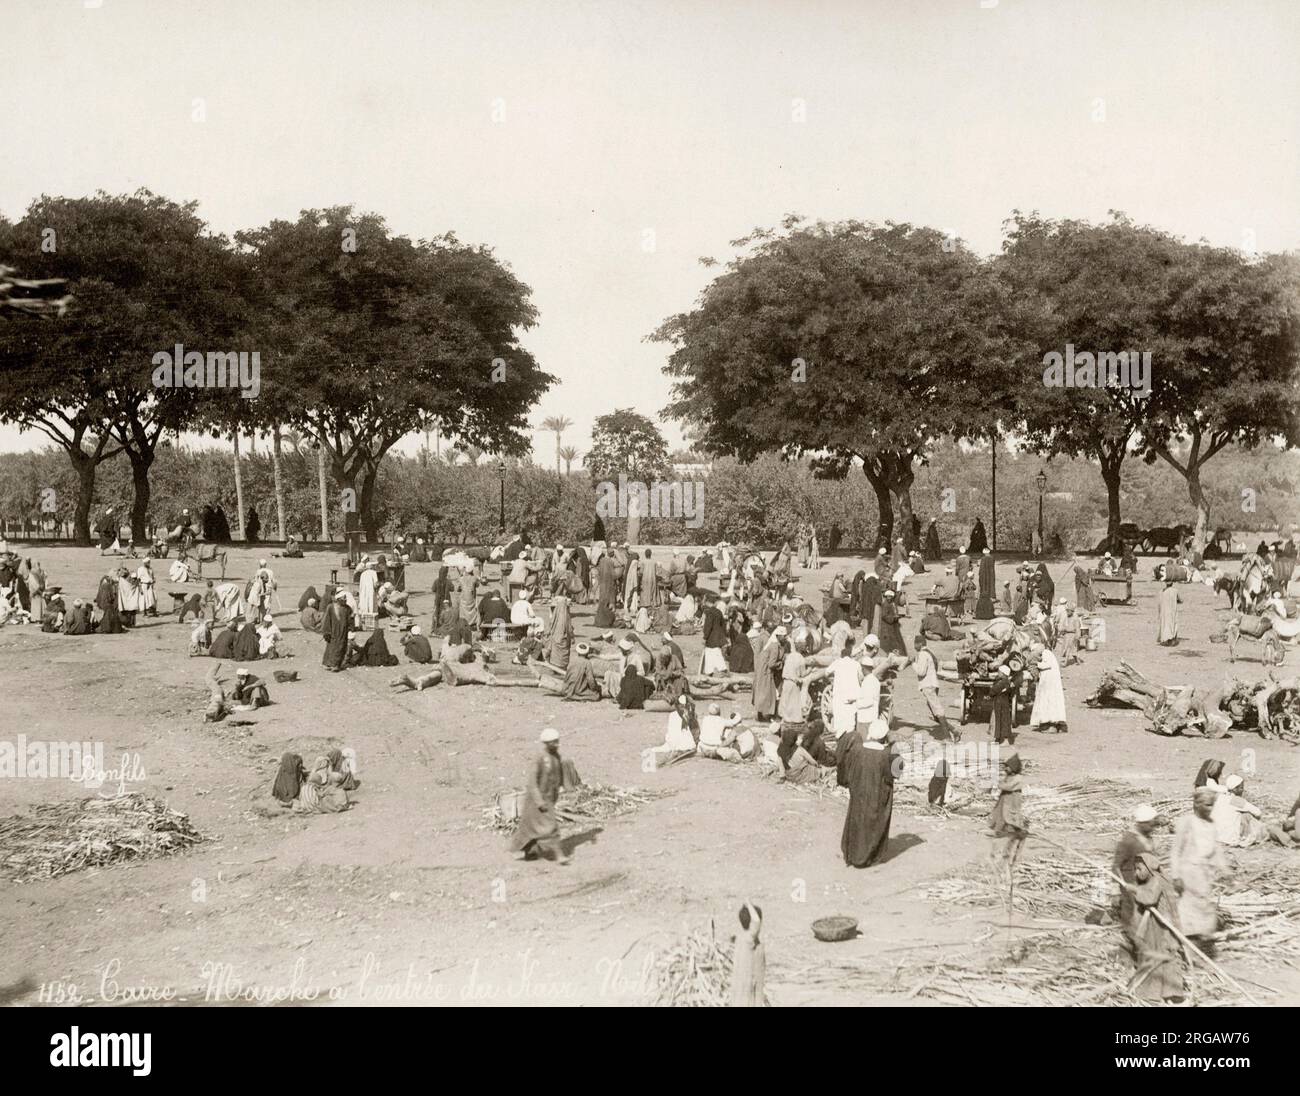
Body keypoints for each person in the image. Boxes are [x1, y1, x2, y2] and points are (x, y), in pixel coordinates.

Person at [1171, 788, 1229, 956]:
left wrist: (1225, 870)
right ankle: (1187, 951)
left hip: (1204, 875)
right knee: (1188, 912)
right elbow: (1176, 851)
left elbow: (1216, 850)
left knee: (1204, 910)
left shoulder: (1211, 824)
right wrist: (1176, 876)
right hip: (1188, 874)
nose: (1210, 809)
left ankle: (1200, 949)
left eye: (1212, 805)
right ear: (1196, 804)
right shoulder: (1186, 823)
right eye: (1207, 805)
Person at [837, 718, 895, 868]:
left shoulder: (857, 749)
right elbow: (896, 772)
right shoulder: (886, 754)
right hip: (877, 795)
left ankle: (852, 854)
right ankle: (867, 856)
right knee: (873, 824)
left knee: (857, 820)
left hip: (859, 793)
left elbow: (848, 769)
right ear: (884, 736)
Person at [512, 728, 569, 863]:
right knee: (550, 827)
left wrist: (561, 788)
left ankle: (530, 852)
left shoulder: (556, 757)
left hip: (549, 797)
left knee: (533, 827)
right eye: (553, 742)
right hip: (537, 800)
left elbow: (559, 775)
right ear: (546, 743)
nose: (556, 744)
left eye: (557, 741)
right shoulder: (539, 758)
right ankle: (559, 855)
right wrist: (539, 802)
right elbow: (532, 782)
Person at [989, 751, 1027, 879]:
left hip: (1012, 801)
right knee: (1000, 814)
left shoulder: (1018, 779)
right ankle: (1001, 828)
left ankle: (1014, 829)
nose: (1006, 769)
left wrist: (999, 784)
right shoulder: (1010, 777)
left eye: (1008, 767)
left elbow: (1009, 787)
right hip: (1004, 800)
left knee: (1011, 815)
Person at [911, 635, 954, 740]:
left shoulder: (922, 654)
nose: (914, 646)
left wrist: (913, 663)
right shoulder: (929, 653)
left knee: (937, 711)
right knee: (934, 710)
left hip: (928, 685)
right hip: (933, 684)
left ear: (920, 644)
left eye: (915, 644)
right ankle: (954, 730)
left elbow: (921, 672)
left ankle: (948, 737)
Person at [1212, 774, 1267, 847]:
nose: (1243, 790)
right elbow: (1258, 812)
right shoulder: (1236, 800)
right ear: (1234, 789)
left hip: (1215, 837)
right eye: (1241, 788)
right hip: (1229, 839)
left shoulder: (1219, 797)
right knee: (1246, 815)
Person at [1029, 643, 1067, 733]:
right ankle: (1050, 724)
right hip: (1049, 681)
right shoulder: (1047, 654)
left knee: (1049, 701)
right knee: (1050, 701)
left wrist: (1036, 664)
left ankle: (1052, 725)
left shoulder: (1046, 653)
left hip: (1050, 681)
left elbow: (1046, 665)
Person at [322, 590, 353, 671]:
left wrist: (351, 627)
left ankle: (335, 664)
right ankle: (329, 664)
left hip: (343, 631)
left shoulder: (347, 608)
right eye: (343, 598)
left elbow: (350, 619)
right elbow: (327, 620)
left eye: (345, 599)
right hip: (332, 631)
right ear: (339, 599)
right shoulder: (331, 607)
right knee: (331, 647)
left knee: (340, 647)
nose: (345, 600)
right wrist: (326, 632)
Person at [699, 594, 728, 674]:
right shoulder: (719, 612)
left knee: (709, 652)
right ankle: (722, 667)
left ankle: (710, 670)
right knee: (717, 652)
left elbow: (708, 626)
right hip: (719, 635)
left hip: (711, 636)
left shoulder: (709, 613)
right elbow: (723, 624)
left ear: (708, 602)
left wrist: (705, 637)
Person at [989, 664, 1015, 744]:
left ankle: (1005, 740)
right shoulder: (1007, 682)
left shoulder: (1002, 682)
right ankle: (998, 739)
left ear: (1003, 673)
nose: (998, 673)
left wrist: (991, 689)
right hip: (1003, 703)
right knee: (1000, 720)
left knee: (1002, 721)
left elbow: (992, 692)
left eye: (999, 672)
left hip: (1000, 703)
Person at [877, 589, 906, 656]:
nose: (889, 598)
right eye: (888, 597)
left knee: (895, 640)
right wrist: (893, 618)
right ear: (886, 597)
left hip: (892, 625)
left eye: (890, 597)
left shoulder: (892, 604)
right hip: (887, 626)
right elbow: (884, 616)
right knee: (889, 641)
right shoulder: (885, 604)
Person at [1157, 579, 1180, 646]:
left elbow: (1159, 602)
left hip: (1164, 610)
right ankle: (1172, 639)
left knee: (1164, 624)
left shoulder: (1161, 591)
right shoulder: (1175, 591)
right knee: (1173, 623)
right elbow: (1180, 600)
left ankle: (1165, 639)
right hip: (1172, 610)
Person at [975, 548, 995, 619]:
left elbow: (981, 569)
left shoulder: (983, 559)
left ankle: (984, 595)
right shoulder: (992, 558)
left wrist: (980, 575)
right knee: (990, 584)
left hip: (984, 575)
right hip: (990, 574)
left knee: (984, 585)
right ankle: (990, 595)